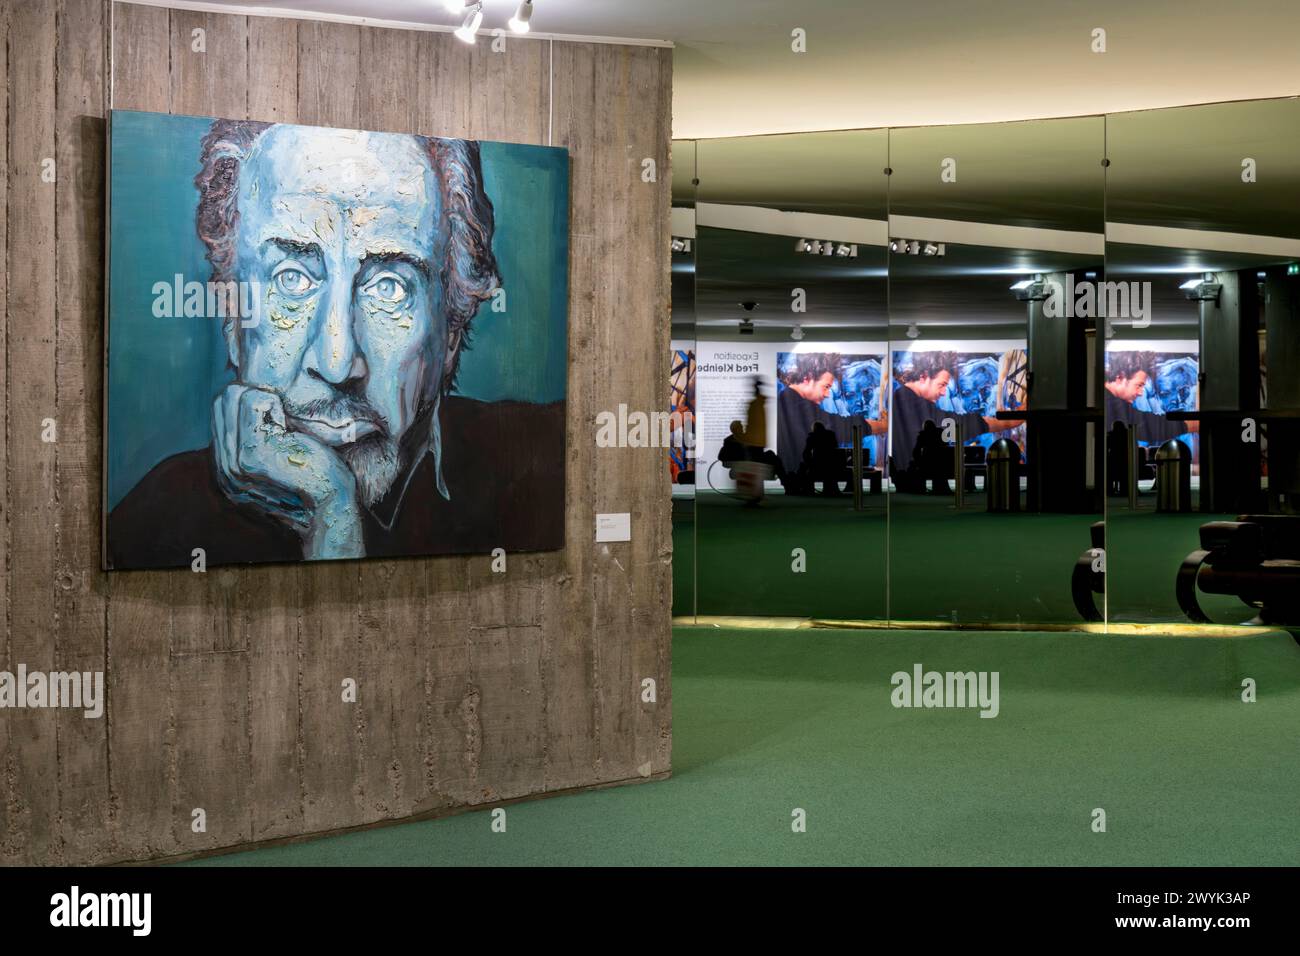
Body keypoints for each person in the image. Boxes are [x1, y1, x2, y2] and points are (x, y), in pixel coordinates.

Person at [108, 120, 563, 568]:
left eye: (390, 287)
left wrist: (334, 520)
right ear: (232, 321)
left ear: (453, 327)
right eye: (292, 279)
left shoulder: (545, 473)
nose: (338, 362)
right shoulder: (148, 529)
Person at [890, 351, 1023, 475]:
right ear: (924, 377)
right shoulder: (908, 401)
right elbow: (956, 424)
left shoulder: (904, 398)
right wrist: (1011, 421)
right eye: (941, 385)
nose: (943, 393)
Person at [776, 354, 886, 477]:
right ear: (808, 379)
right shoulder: (795, 404)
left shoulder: (790, 400)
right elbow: (838, 427)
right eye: (826, 387)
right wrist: (881, 426)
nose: (827, 394)